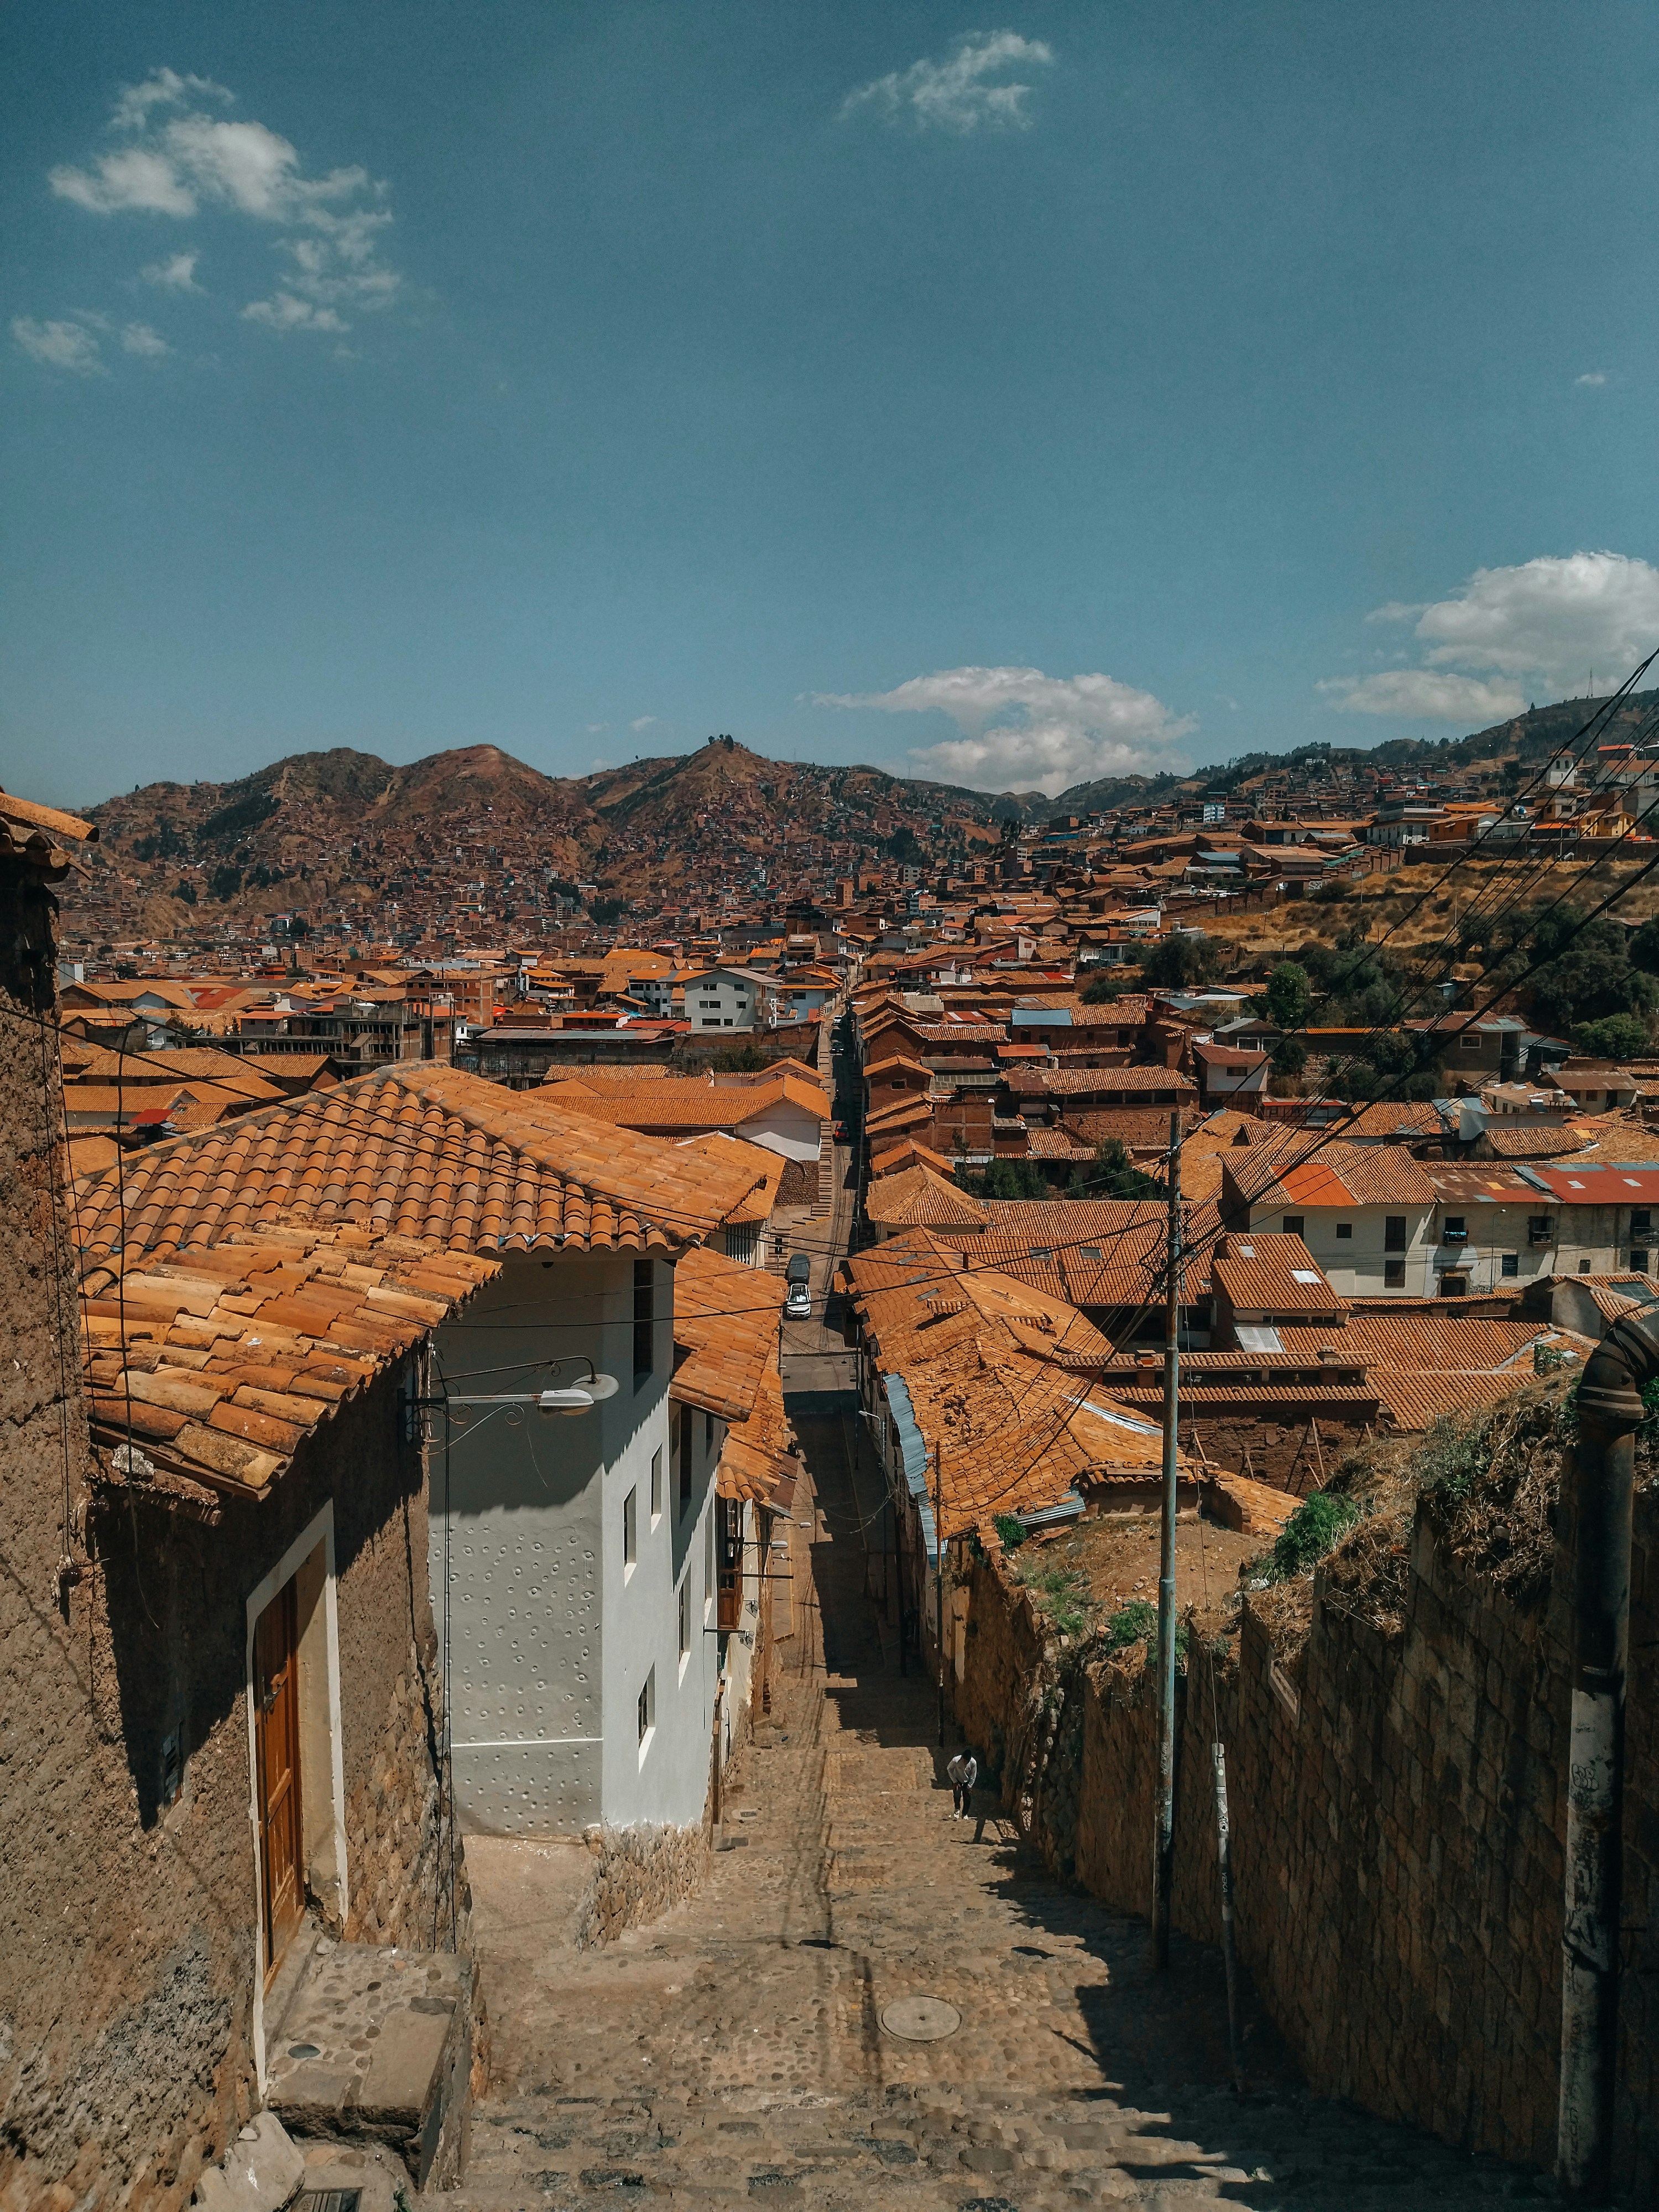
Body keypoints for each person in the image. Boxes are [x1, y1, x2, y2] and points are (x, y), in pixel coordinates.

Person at [946, 1748, 978, 1819]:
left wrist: (970, 1786)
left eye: (967, 1761)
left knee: (967, 1798)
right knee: (957, 1796)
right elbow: (949, 1769)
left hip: (967, 1781)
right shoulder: (956, 1760)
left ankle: (965, 1813)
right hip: (957, 1780)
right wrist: (954, 1781)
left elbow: (973, 1775)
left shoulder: (973, 1763)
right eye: (964, 1760)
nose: (965, 1762)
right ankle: (957, 1810)